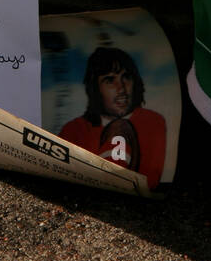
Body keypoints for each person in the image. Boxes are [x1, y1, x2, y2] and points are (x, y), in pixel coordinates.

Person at [59, 47, 167, 190]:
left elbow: (149, 182)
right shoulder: (72, 130)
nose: (121, 88)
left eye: (126, 77)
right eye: (110, 80)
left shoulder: (152, 121)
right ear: (95, 88)